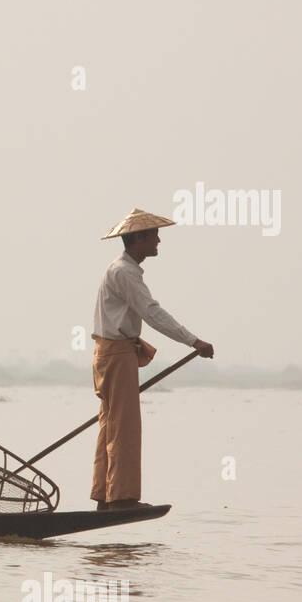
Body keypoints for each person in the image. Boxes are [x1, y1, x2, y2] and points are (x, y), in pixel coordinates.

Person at [92, 209, 214, 510]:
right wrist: (193, 341)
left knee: (110, 424)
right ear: (138, 239)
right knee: (125, 426)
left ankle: (105, 495)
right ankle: (122, 498)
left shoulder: (121, 269)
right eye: (154, 235)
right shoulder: (124, 272)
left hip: (111, 353)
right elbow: (152, 312)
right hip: (117, 354)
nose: (159, 240)